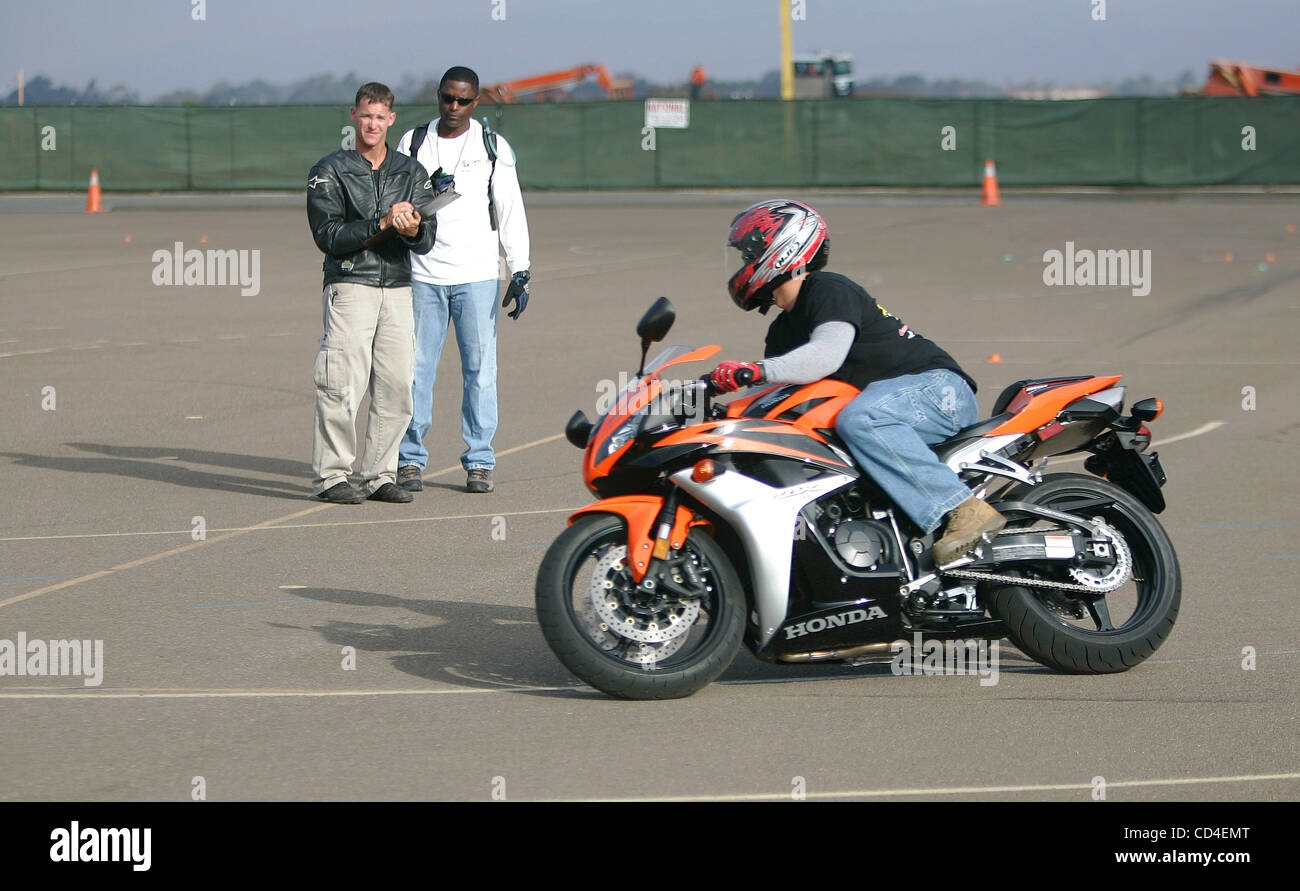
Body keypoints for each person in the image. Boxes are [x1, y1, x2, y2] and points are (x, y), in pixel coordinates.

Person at [709, 199, 1006, 565]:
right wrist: (721, 419)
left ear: (784, 248)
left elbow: (826, 355)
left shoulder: (827, 289)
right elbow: (774, 397)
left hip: (935, 390)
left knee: (861, 419)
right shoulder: (782, 330)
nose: (743, 265)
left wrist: (756, 369)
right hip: (894, 403)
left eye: (750, 253)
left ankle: (966, 509)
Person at [395, 66, 531, 495]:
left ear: (476, 102)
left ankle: (479, 460)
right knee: (415, 371)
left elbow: (509, 208)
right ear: (438, 96)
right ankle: (409, 458)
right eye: (447, 98)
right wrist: (423, 193)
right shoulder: (413, 141)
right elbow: (395, 200)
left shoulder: (493, 146)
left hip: (476, 277)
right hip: (422, 275)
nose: (454, 107)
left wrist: (521, 269)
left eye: (463, 100)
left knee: (480, 370)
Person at [306, 82, 436, 504]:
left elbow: (426, 238)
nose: (373, 124)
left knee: (398, 385)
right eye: (366, 115)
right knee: (342, 383)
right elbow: (328, 235)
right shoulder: (329, 170)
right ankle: (331, 475)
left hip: (398, 287)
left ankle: (379, 474)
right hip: (350, 285)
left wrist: (413, 226)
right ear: (353, 116)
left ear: (391, 120)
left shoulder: (411, 172)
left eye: (381, 117)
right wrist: (382, 224)